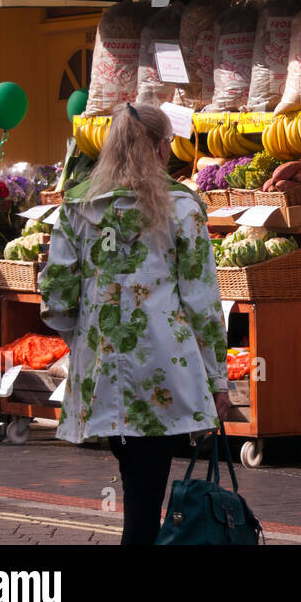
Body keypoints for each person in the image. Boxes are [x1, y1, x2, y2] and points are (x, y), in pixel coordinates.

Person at [38, 101, 229, 546]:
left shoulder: (79, 205)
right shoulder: (183, 207)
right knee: (146, 489)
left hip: (103, 369)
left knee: (138, 486)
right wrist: (217, 377)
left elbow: (59, 294)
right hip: (164, 365)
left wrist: (83, 333)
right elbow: (201, 298)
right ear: (163, 149)